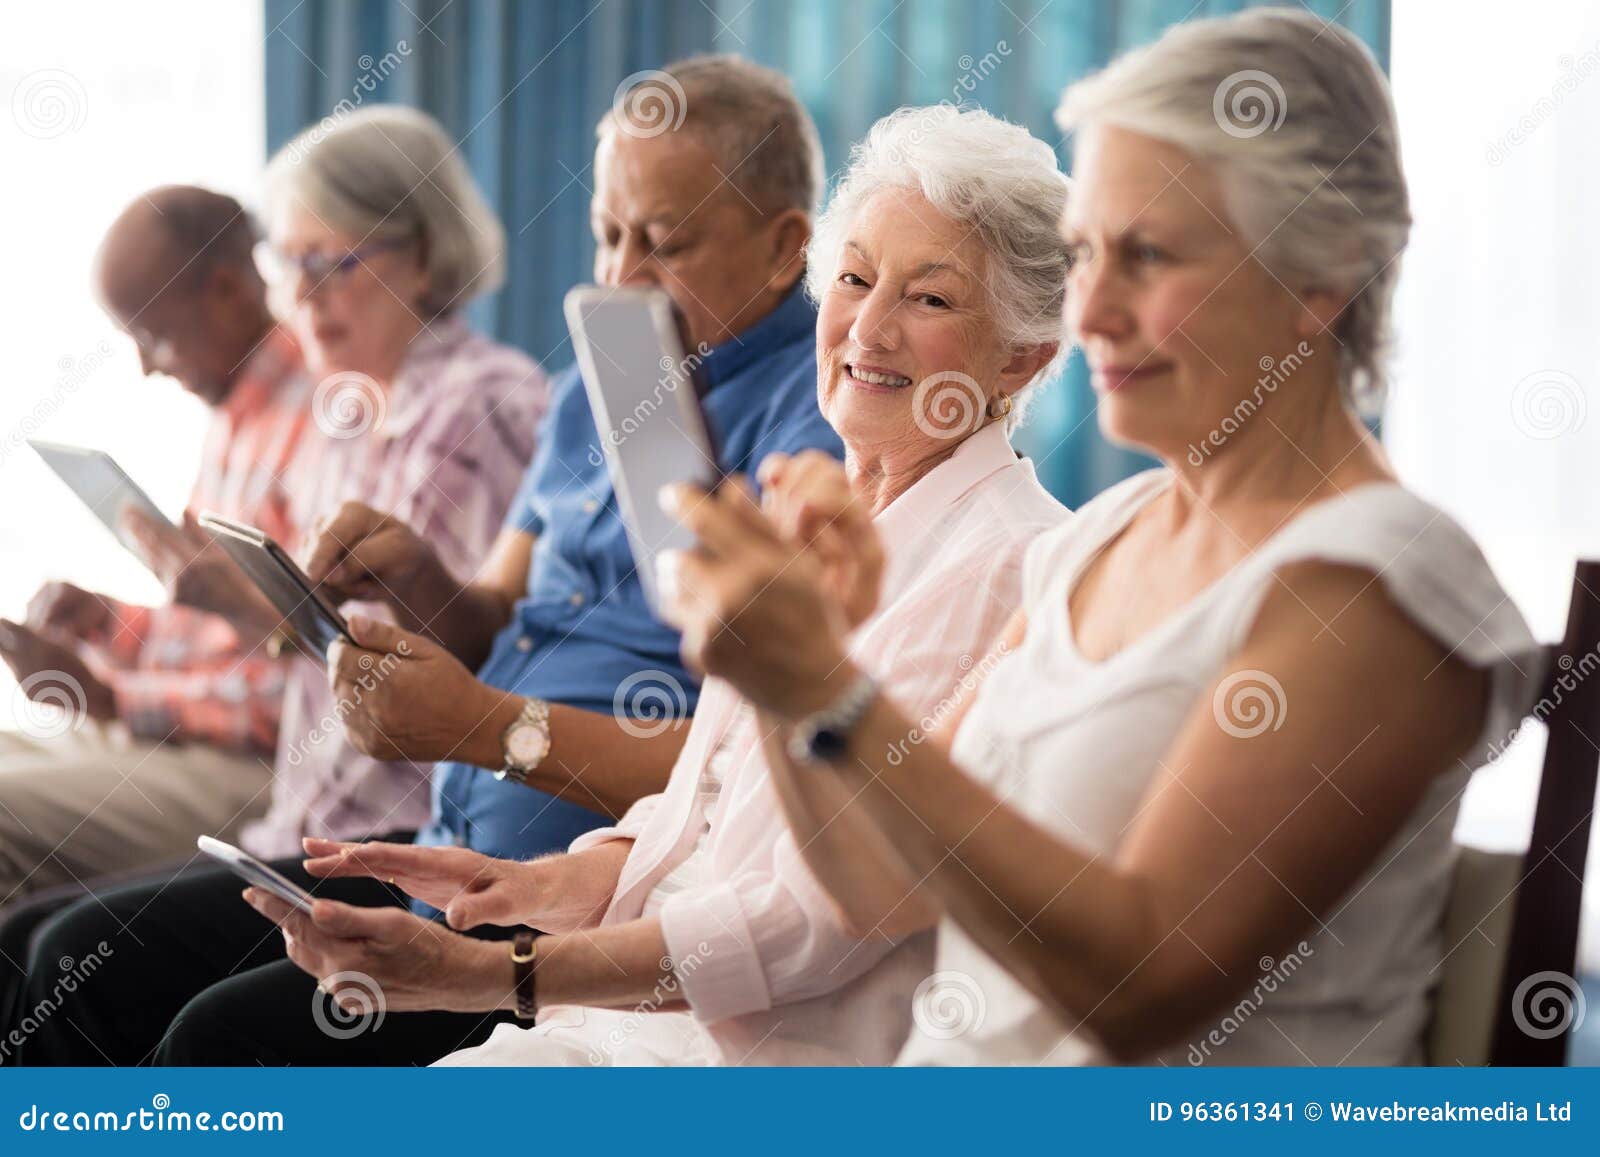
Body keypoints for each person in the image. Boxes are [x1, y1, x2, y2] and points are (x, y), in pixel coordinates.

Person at [661, 9, 1542, 1066]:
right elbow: (872, 880)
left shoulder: (1377, 583)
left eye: (1152, 255)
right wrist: (791, 666)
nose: (1092, 312)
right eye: (1087, 256)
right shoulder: (1107, 532)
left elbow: (1139, 985)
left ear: (1320, 282)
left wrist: (827, 693)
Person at [14, 55, 843, 1067]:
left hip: (570, 889)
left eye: (662, 243)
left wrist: (486, 725)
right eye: (606, 234)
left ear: (782, 248)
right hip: (450, 851)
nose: (620, 275)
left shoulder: (822, 425)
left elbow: (749, 747)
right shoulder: (600, 381)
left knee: (212, 1041)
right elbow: (492, 609)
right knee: (62, 950)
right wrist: (418, 579)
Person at [245, 105, 1072, 1068]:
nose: (868, 328)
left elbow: (818, 919)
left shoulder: (1003, 566)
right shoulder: (813, 507)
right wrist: (544, 881)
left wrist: (489, 972)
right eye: (853, 280)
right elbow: (709, 805)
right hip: (617, 1021)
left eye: (930, 301)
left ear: (1022, 355)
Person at [5, 105, 548, 1063]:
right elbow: (310, 641)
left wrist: (245, 619)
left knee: (78, 962)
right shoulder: (349, 420)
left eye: (330, 264)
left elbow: (481, 652)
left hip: (398, 828)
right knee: (35, 944)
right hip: (307, 815)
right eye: (288, 266)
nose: (301, 299)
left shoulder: (487, 401)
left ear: (422, 257)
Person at [0, 185, 311, 904]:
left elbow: (299, 675)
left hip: (264, 762)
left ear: (229, 290)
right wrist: (109, 627)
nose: (146, 366)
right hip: (193, 733)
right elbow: (220, 634)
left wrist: (113, 696)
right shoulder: (238, 412)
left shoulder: (320, 419)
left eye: (153, 336)